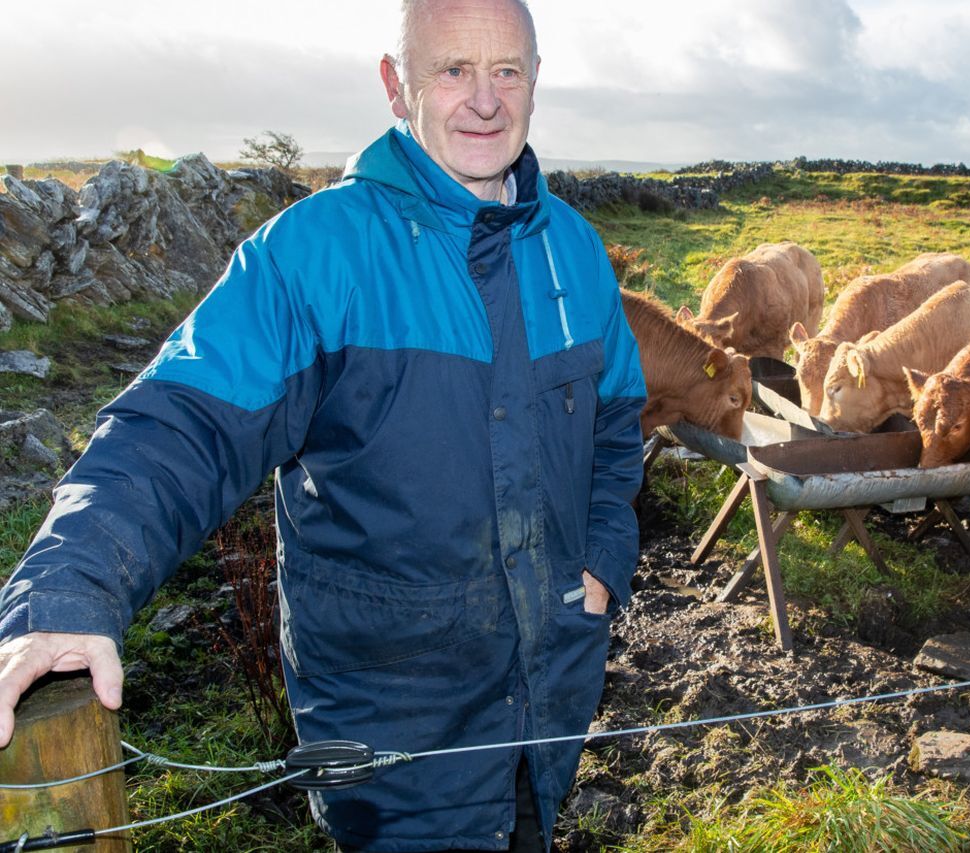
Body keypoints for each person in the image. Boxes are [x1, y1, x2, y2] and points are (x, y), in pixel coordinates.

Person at [0, 0, 647, 849]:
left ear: (535, 79)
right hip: (396, 741)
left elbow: (617, 417)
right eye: (454, 70)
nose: (486, 101)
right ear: (397, 85)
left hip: (551, 699)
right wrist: (68, 587)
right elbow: (182, 423)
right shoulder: (313, 255)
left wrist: (603, 555)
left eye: (506, 71)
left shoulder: (574, 251)